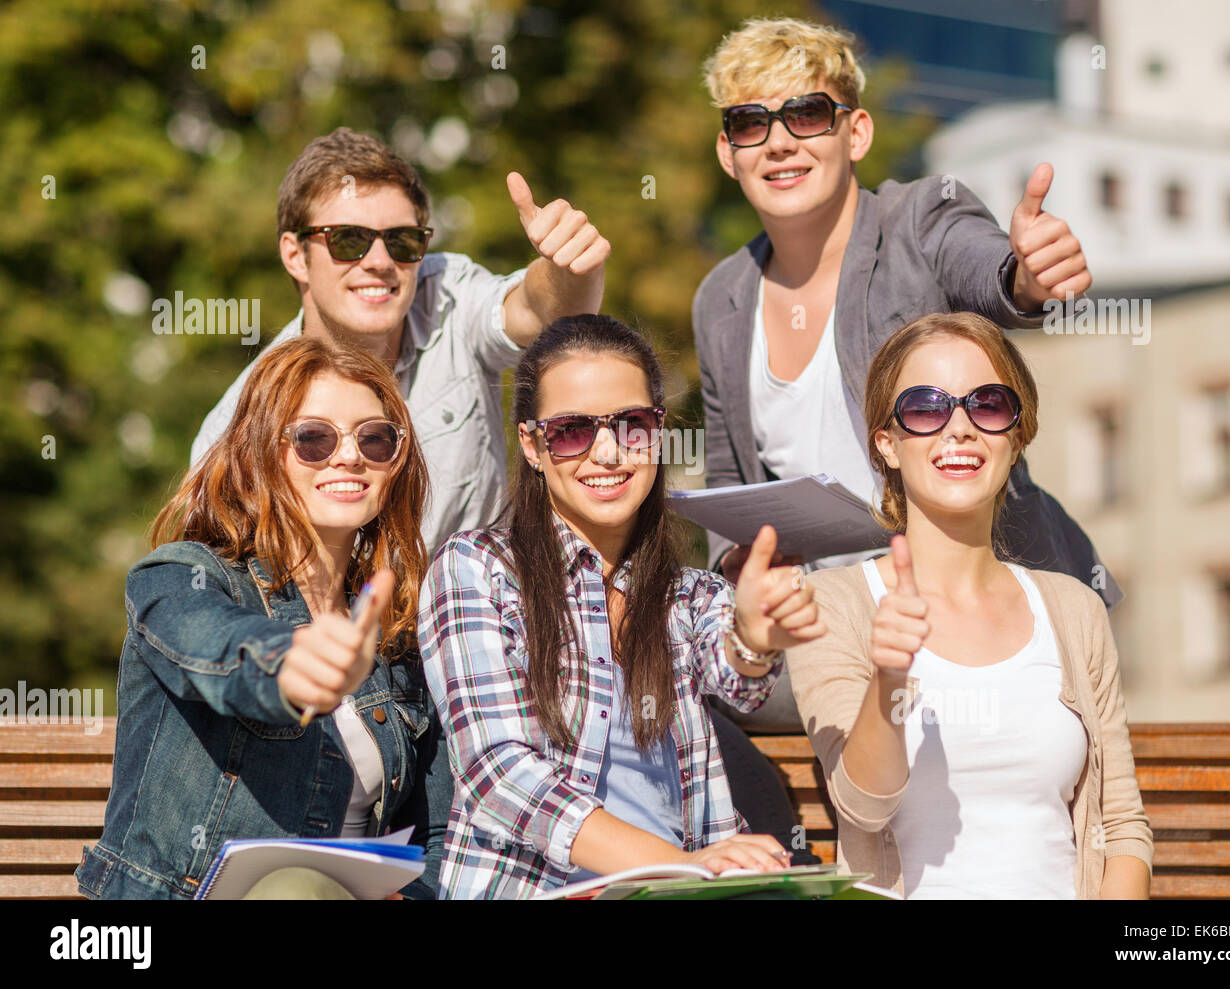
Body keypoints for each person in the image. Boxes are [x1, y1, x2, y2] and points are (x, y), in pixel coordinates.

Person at [694, 16, 1119, 734]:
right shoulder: (721, 299)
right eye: (749, 123)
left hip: (976, 602)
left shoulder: (921, 217)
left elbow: (988, 271)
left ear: (854, 133)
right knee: (698, 690)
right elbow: (729, 491)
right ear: (727, 151)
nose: (779, 141)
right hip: (837, 620)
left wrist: (1026, 279)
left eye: (806, 114)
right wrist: (744, 574)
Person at [419, 315, 824, 899]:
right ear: (533, 445)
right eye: (572, 430)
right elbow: (499, 774)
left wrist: (754, 640)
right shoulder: (474, 568)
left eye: (632, 425)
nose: (608, 454)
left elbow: (739, 679)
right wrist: (685, 866)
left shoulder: (689, 593)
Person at [784, 311, 1152, 899]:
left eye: (988, 404)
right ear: (888, 444)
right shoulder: (833, 605)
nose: (959, 429)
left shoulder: (1074, 608)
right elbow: (862, 806)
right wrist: (890, 680)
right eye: (926, 408)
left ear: (1017, 435)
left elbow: (1123, 828)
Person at [77, 338, 450, 899]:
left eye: (374, 438)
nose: (349, 456)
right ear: (259, 454)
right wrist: (294, 665)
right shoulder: (180, 578)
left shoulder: (397, 636)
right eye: (314, 438)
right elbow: (222, 650)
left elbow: (435, 837)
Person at [192, 126, 611, 552]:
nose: (379, 262)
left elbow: (537, 309)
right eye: (348, 240)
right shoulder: (233, 426)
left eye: (402, 241)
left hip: (478, 614)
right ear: (295, 256)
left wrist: (568, 268)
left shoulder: (446, 293)